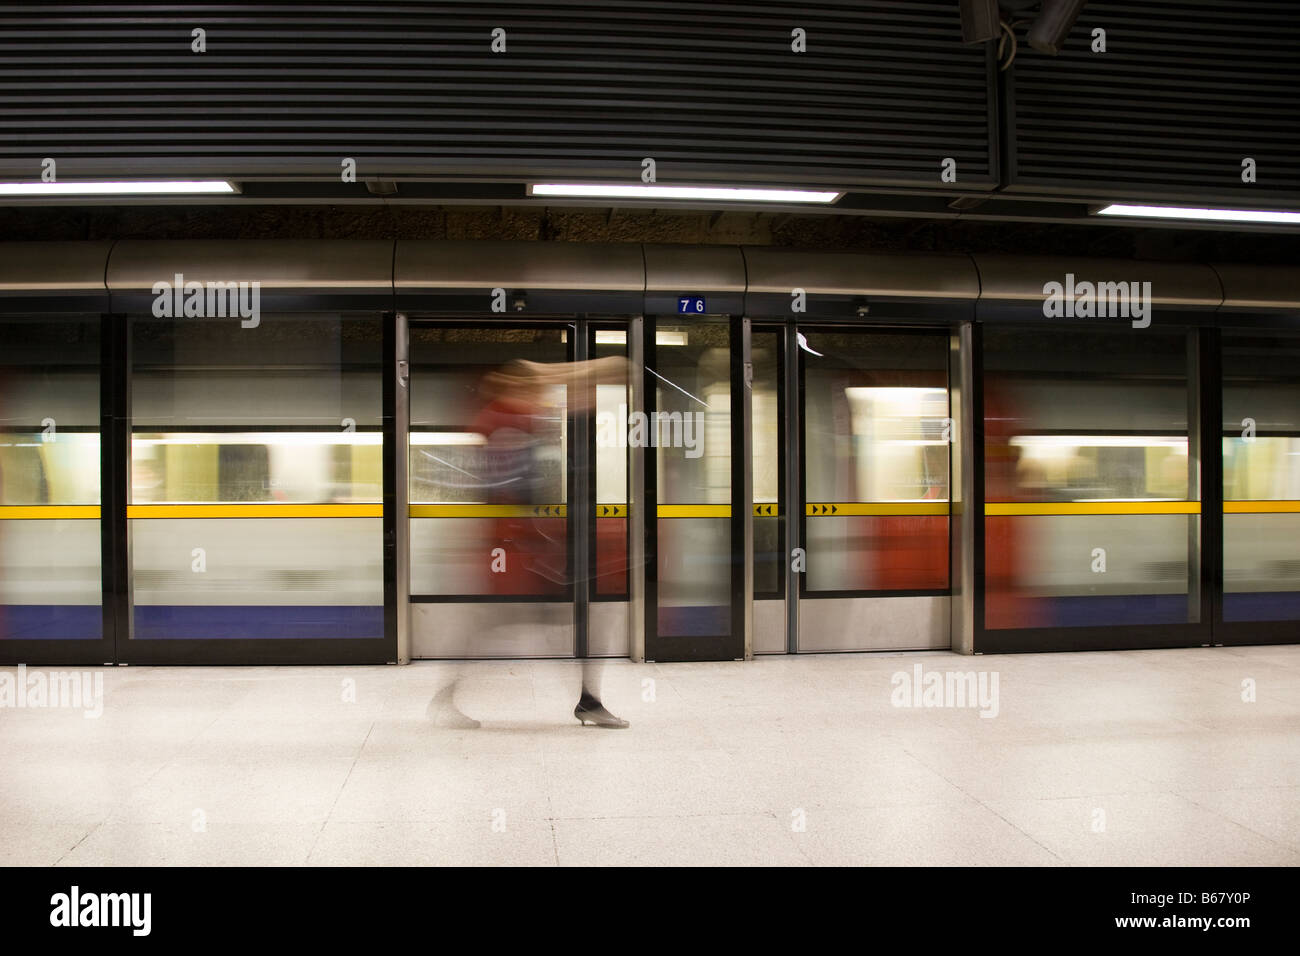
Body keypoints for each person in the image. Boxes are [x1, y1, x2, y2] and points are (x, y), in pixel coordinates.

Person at [428, 356, 629, 729]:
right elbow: (511, 493)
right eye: (532, 390)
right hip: (514, 556)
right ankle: (586, 701)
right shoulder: (503, 424)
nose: (541, 396)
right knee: (491, 628)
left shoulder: (512, 418)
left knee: (577, 619)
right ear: (515, 389)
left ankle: (588, 700)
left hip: (524, 553)